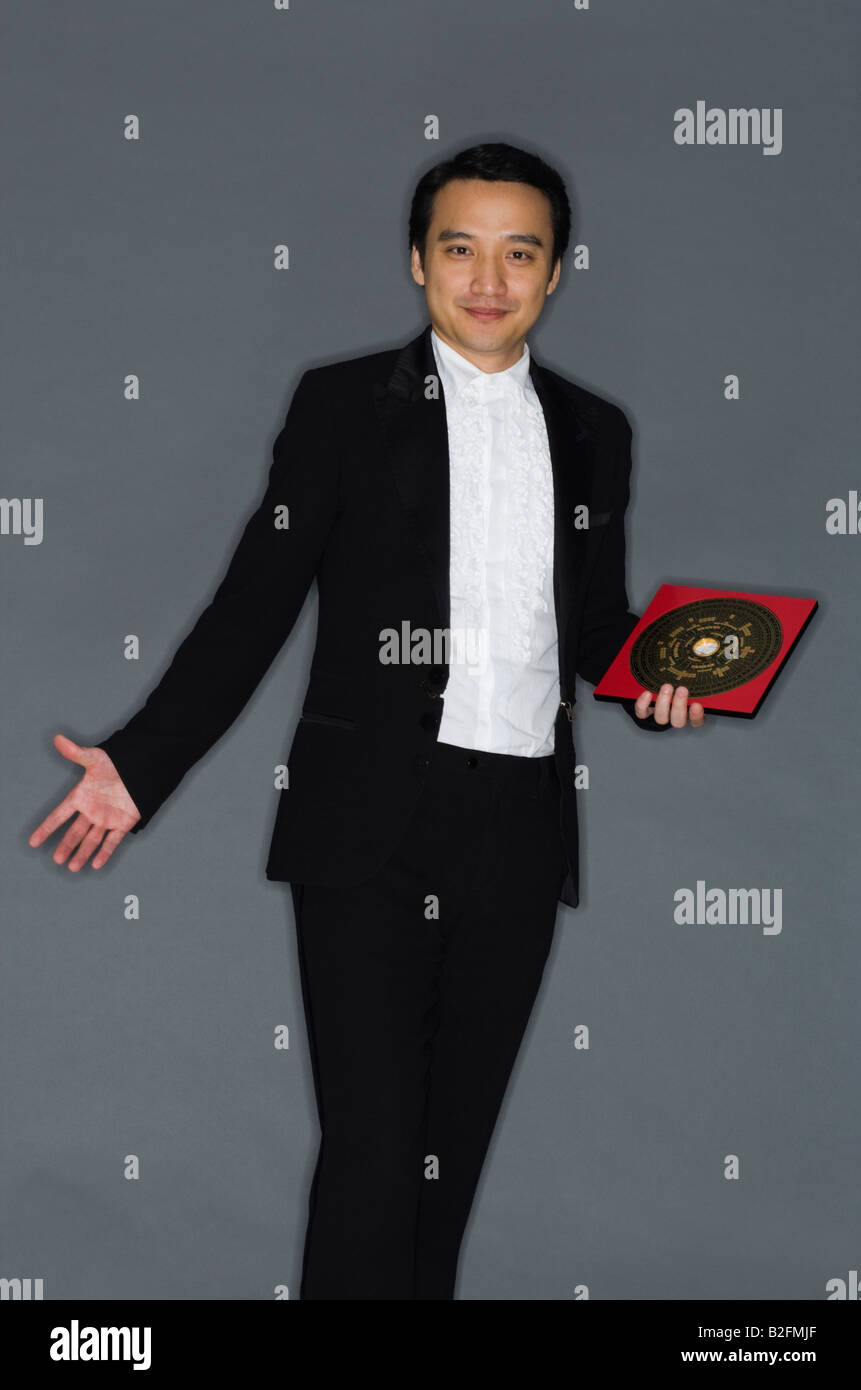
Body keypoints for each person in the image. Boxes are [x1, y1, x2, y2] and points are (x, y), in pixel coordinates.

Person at [29, 142, 705, 1299]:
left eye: (517, 251)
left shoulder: (597, 429)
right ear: (416, 262)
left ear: (553, 274)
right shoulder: (342, 405)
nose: (486, 277)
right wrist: (140, 767)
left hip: (519, 829)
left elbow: (592, 628)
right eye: (459, 248)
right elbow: (256, 601)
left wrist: (660, 681)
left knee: (448, 1167)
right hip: (367, 828)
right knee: (375, 1157)